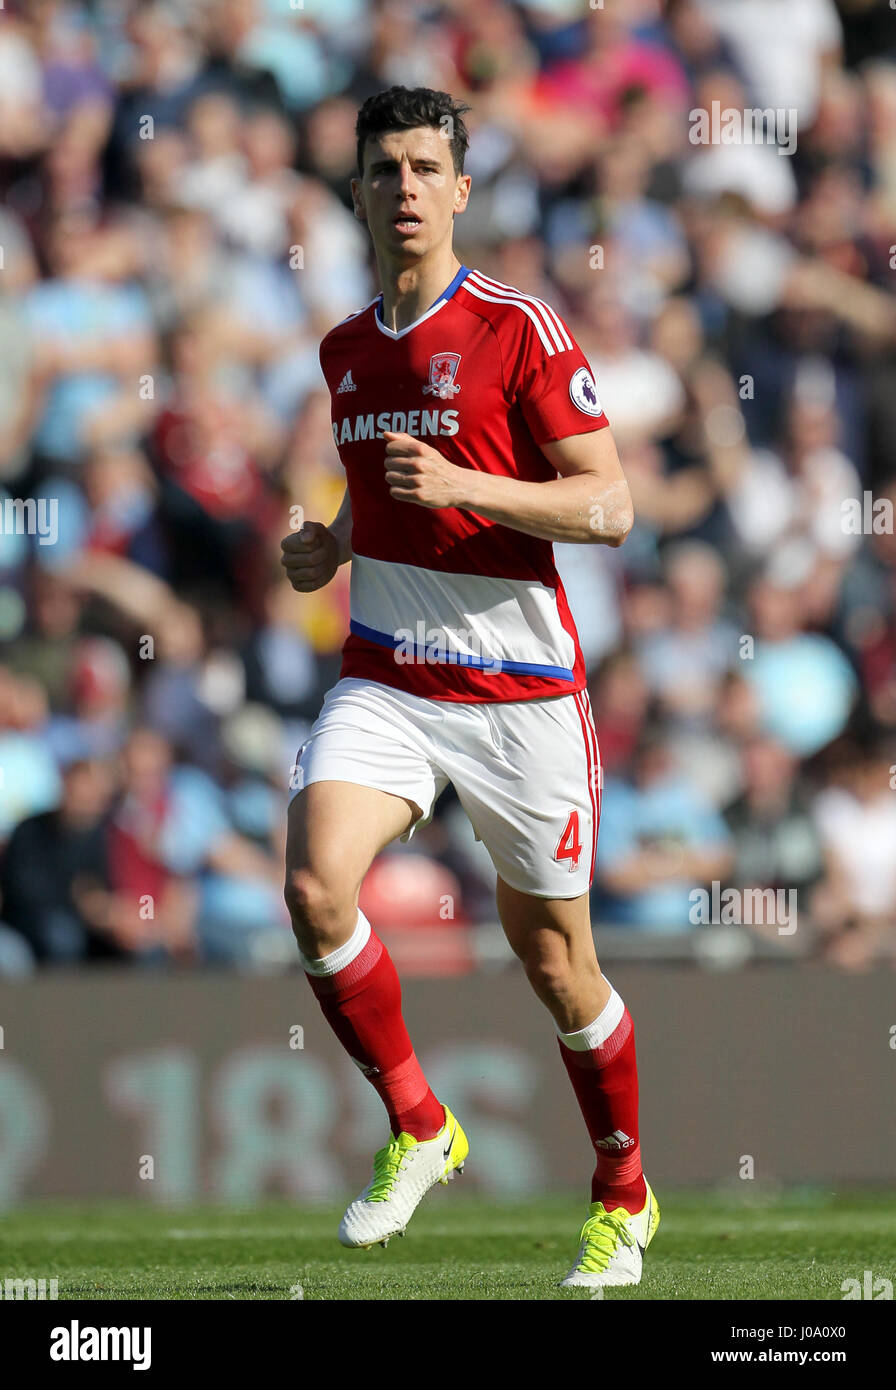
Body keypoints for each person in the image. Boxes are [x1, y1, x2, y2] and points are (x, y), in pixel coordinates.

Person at [280, 86, 654, 1289]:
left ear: (460, 191)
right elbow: (383, 498)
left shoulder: (518, 329)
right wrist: (327, 548)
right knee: (311, 883)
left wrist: (470, 489)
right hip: (386, 676)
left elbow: (607, 504)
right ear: (354, 192)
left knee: (557, 970)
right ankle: (420, 1125)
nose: (404, 188)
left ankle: (621, 1190)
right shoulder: (343, 349)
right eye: (383, 168)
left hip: (522, 692)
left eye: (425, 167)